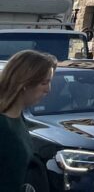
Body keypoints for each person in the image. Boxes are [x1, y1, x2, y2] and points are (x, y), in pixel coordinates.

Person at [0, 49, 57, 191]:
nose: (48, 90)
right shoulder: (3, 125)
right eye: (44, 83)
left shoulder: (18, 117)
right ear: (25, 82)